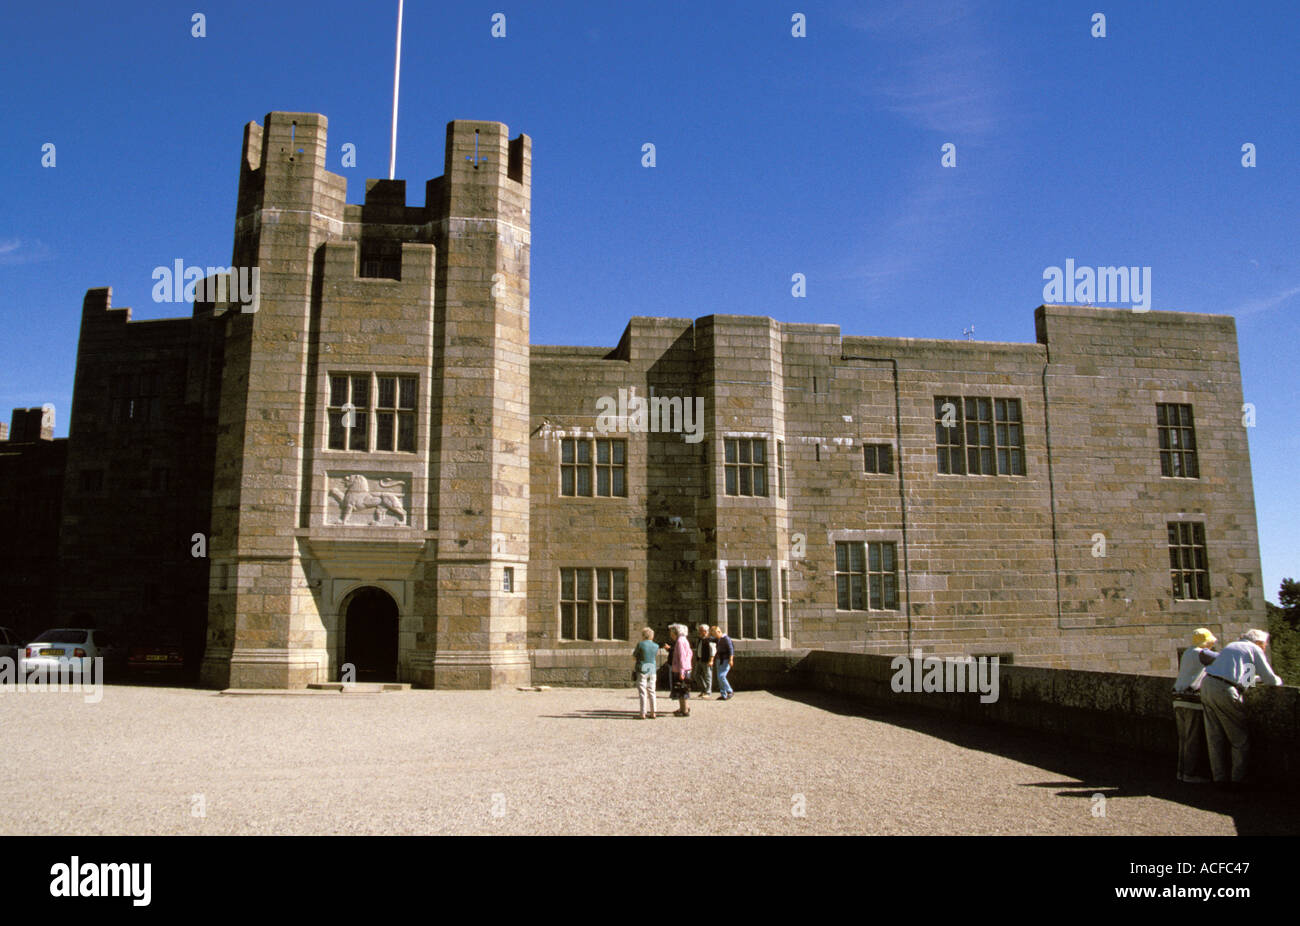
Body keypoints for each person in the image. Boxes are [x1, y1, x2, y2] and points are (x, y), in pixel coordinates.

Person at [1200, 629, 1284, 787]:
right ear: (1258, 642)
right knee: (1240, 739)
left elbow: (1247, 680)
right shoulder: (1255, 649)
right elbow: (1270, 679)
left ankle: (1219, 778)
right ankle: (1238, 780)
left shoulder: (1233, 646)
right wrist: (1279, 680)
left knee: (1215, 736)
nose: (1265, 648)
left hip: (1207, 684)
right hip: (1224, 690)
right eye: (1265, 645)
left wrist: (1256, 679)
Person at [1171, 628, 1218, 783]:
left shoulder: (1187, 652)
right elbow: (1225, 660)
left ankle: (1181, 772)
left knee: (1184, 738)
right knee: (1192, 738)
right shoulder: (1202, 653)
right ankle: (1191, 774)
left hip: (1178, 697)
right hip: (1191, 699)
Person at [664, 624, 693, 716]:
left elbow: (682, 657)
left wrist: (681, 671)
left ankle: (684, 710)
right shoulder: (684, 640)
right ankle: (684, 707)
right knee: (683, 689)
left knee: (681, 689)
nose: (670, 634)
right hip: (685, 668)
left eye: (671, 632)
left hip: (681, 669)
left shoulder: (680, 641)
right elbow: (689, 654)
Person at [632, 627, 659, 719]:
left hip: (642, 668)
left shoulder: (640, 644)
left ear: (643, 635)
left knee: (643, 692)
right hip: (651, 668)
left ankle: (643, 713)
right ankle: (653, 712)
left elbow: (634, 656)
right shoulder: (656, 646)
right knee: (652, 691)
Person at [694, 624, 716, 698]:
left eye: (701, 630)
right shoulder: (700, 639)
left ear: (705, 631)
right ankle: (704, 690)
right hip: (700, 659)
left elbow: (713, 650)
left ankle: (708, 692)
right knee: (696, 675)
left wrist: (711, 660)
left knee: (708, 676)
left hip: (706, 660)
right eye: (699, 630)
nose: (699, 632)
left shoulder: (710, 639)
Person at [712, 625, 734, 700]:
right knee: (719, 677)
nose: (714, 636)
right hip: (719, 659)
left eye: (715, 634)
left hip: (726, 660)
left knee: (722, 676)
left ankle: (729, 691)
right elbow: (709, 639)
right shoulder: (718, 639)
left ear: (719, 632)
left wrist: (731, 660)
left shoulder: (726, 639)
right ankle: (723, 695)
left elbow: (731, 650)